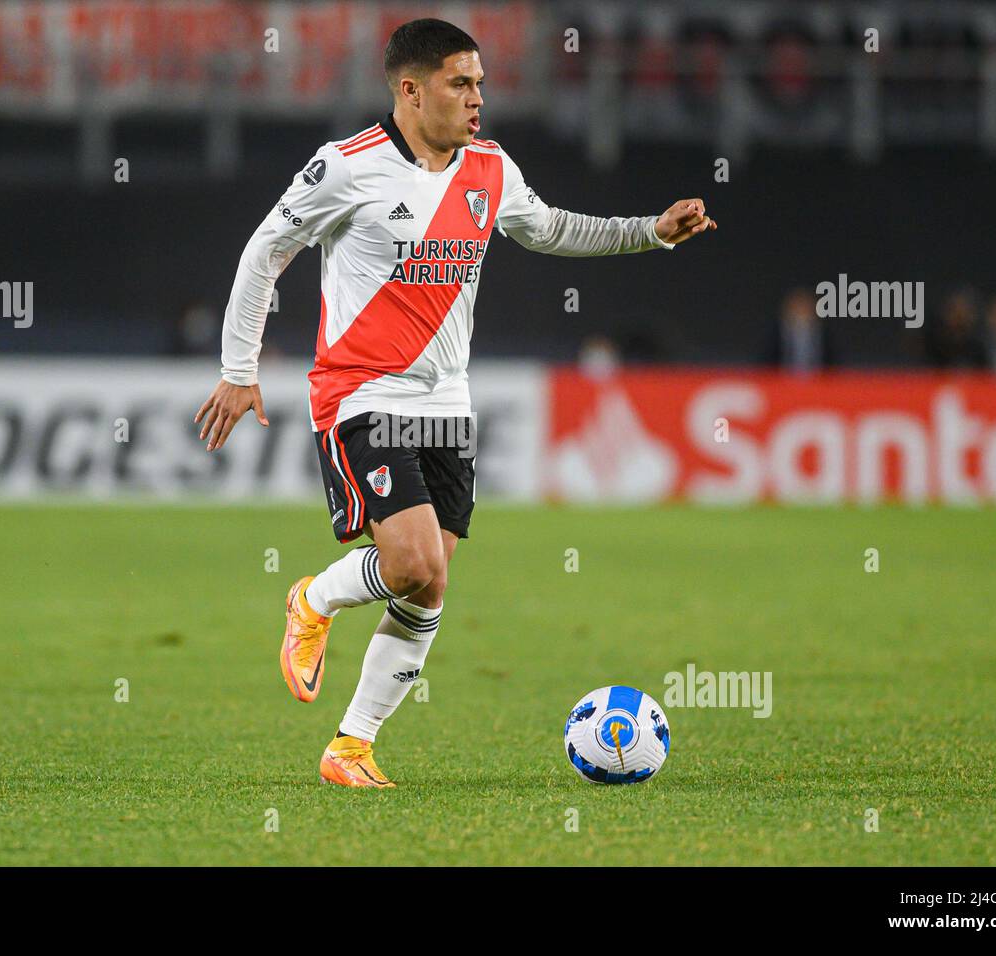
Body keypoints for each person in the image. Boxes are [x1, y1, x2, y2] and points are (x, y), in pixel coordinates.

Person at [193, 18, 716, 787]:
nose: (479, 98)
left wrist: (652, 234)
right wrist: (241, 369)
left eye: (480, 82)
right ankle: (313, 598)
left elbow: (551, 229)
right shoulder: (346, 167)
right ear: (409, 90)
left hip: (449, 403)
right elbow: (263, 252)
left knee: (431, 585)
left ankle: (352, 747)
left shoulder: (490, 169)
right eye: (460, 83)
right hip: (360, 393)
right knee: (410, 563)